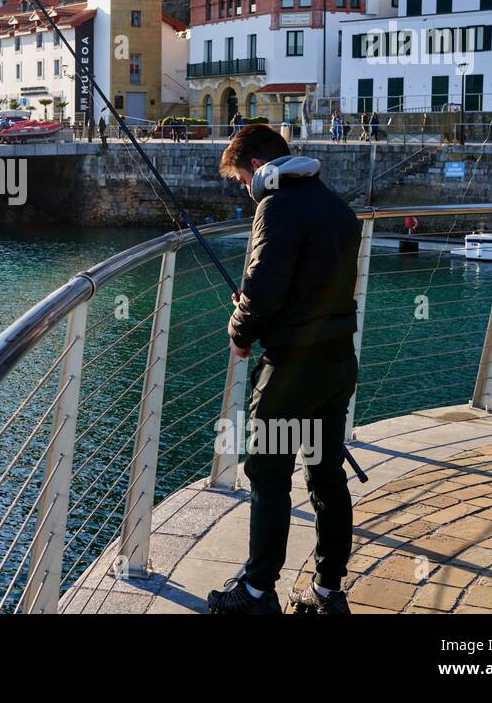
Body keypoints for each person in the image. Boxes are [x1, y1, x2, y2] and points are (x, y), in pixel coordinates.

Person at [207, 124, 361, 615]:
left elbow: (262, 292)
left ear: (255, 166)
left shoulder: (275, 207)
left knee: (269, 476)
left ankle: (256, 593)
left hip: (290, 370)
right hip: (337, 363)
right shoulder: (336, 206)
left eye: (239, 180)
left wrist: (239, 333)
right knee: (326, 476)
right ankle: (328, 591)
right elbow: (308, 285)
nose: (243, 190)